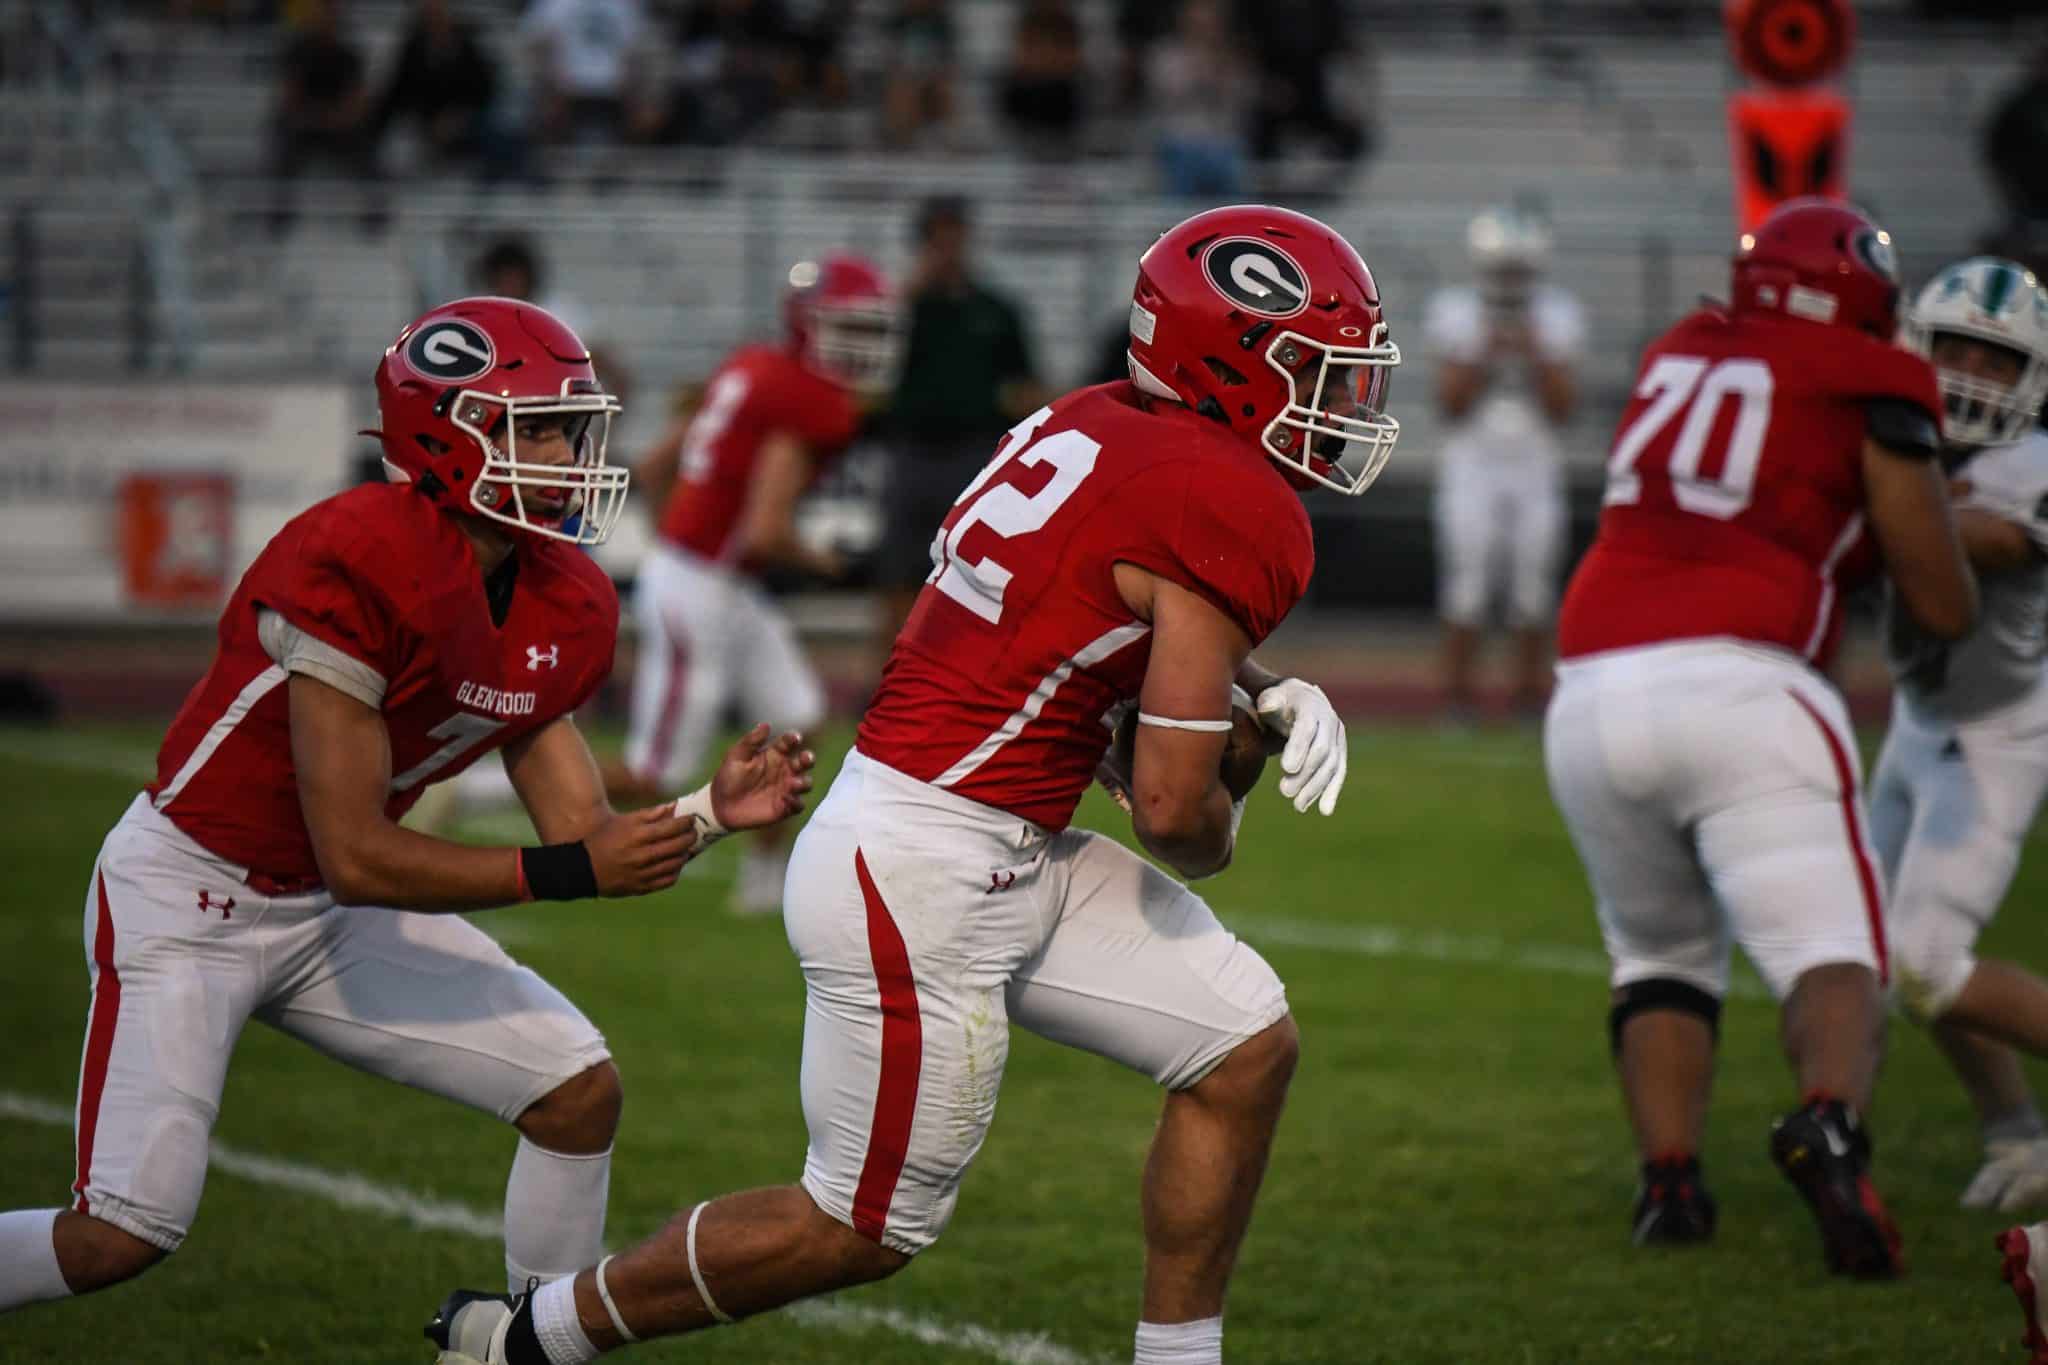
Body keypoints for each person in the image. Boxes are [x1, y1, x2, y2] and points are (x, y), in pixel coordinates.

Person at [423, 203, 1392, 1365]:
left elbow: (1110, 611)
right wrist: (1240, 751)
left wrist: (1261, 688)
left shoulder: (1099, 421)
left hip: (976, 831)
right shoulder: (1228, 499)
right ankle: (533, 1336)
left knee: (1241, 1045)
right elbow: (1181, 819)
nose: (1342, 403)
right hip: (924, 870)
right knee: (861, 1226)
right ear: (1228, 362)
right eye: (1314, 371)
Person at [0, 297, 815, 1316]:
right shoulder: (356, 554)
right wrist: (568, 874)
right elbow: (360, 855)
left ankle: (533, 1343)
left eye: (573, 424)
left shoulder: (563, 594)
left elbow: (586, 838)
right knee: (120, 1233)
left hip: (327, 917)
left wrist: (705, 810)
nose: (570, 453)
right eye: (540, 428)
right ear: (448, 436)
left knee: (575, 1093)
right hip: (195, 897)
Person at [1544, 198, 1977, 1275]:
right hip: (1744, 677)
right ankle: (1826, 1126)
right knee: (1828, 953)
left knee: (1653, 954)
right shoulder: (1874, 377)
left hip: (1589, 683)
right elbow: (1938, 595)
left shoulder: (1680, 348)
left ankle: (1669, 1184)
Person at [606, 254, 899, 915]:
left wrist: (680, 546)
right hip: (703, 582)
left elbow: (655, 466)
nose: (870, 348)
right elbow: (766, 532)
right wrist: (837, 566)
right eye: (854, 329)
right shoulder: (811, 399)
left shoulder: (752, 366)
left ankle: (764, 886)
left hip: (710, 579)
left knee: (796, 718)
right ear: (809, 325)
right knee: (656, 773)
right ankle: (481, 788)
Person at [1869, 257, 2048, 1211]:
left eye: (2000, 359)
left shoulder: (2034, 464)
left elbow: (1968, 538)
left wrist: (1858, 481)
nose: (1975, 375)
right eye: (1958, 350)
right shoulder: (1905, 447)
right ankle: (2018, 1134)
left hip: (1996, 737)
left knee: (1927, 962)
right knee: (1876, 957)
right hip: (1918, 722)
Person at [1426, 206, 1583, 721]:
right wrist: (1483, 350)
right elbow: (1450, 404)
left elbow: (1562, 408)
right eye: (1503, 272)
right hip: (1472, 459)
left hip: (1535, 459)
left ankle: (1529, 703)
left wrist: (1538, 353)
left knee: (1533, 585)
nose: (1510, 283)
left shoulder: (1558, 313)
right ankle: (1456, 703)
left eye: (1518, 272)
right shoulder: (1455, 311)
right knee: (1466, 582)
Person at [876, 195, 1044, 652]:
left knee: (977, 573)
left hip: (974, 455)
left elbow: (1027, 385)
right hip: (912, 450)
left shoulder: (995, 310)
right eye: (938, 237)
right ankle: (886, 678)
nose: (949, 247)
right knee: (900, 574)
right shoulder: (903, 310)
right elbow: (871, 368)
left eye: (955, 236)